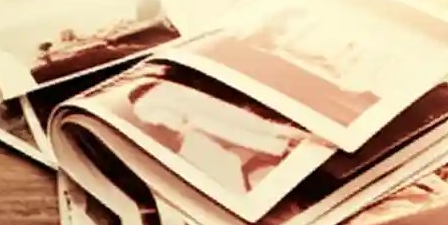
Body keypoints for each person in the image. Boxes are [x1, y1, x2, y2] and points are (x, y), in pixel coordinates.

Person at [125, 73, 311, 194]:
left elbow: (231, 123)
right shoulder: (195, 140)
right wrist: (279, 141)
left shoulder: (197, 119)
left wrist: (280, 139)